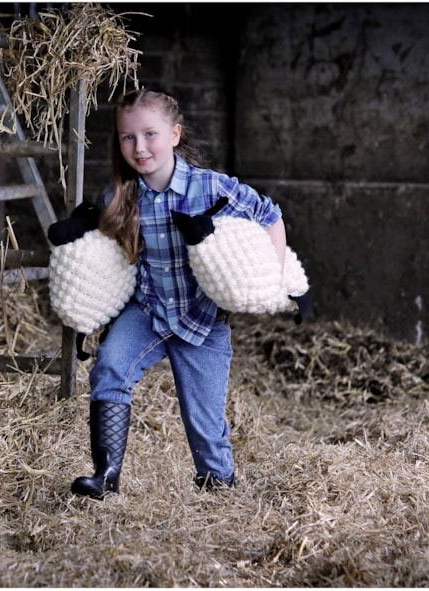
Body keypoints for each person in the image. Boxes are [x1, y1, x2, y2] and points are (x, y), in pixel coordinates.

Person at [70, 88, 287, 499]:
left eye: (150, 134)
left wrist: (270, 279)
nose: (139, 147)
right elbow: (110, 260)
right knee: (111, 365)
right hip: (148, 311)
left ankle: (218, 487)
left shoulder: (212, 188)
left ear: (174, 134)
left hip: (202, 318)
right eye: (127, 137)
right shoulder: (119, 196)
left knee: (203, 421)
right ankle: (105, 476)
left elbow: (270, 215)